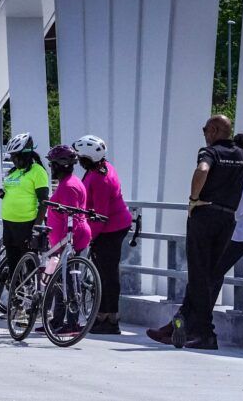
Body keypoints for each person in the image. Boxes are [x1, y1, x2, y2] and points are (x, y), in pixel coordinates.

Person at [149, 115, 243, 350]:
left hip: (240, 234)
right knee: (203, 279)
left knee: (204, 278)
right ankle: (182, 325)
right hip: (230, 229)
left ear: (215, 130)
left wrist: (194, 200)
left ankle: (198, 330)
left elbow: (214, 182)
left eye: (206, 129)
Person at [73, 134, 133, 335]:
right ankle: (103, 315)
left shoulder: (100, 179)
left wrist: (88, 238)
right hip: (112, 225)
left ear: (88, 159)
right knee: (104, 272)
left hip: (111, 228)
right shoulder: (100, 167)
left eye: (81, 158)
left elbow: (100, 216)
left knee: (107, 275)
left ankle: (109, 319)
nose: (79, 161)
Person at [43, 144, 92, 334]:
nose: (51, 168)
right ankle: (56, 321)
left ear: (61, 165)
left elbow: (71, 217)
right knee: (58, 281)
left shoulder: (70, 186)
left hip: (71, 239)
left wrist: (63, 245)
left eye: (52, 165)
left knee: (70, 281)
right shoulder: (67, 183)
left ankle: (72, 324)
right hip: (62, 240)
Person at [0, 133, 50, 276]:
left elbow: (44, 202)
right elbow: (11, 193)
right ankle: (15, 296)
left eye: (16, 156)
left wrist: (36, 229)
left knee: (29, 266)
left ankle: (32, 295)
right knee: (13, 266)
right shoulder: (14, 172)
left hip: (26, 224)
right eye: (12, 156)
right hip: (9, 223)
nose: (13, 159)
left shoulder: (37, 171)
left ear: (26, 155)